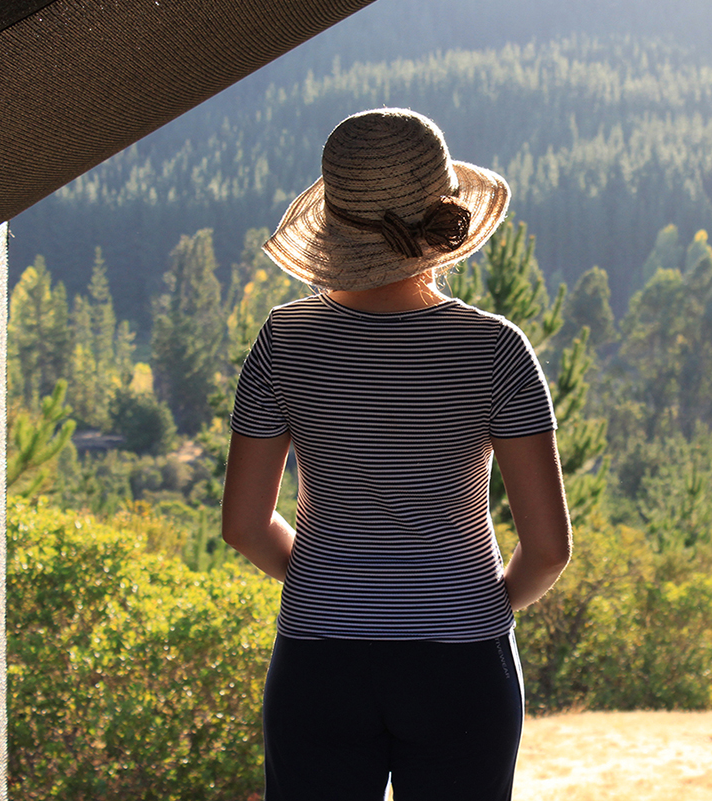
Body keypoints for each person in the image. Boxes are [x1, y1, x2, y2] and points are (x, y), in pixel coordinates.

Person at [221, 108, 572, 801]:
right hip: (463, 666)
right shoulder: (495, 349)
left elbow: (242, 524)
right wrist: (478, 605)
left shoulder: (284, 342)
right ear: (445, 218)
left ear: (332, 224)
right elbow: (550, 549)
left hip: (318, 665)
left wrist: (326, 579)